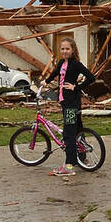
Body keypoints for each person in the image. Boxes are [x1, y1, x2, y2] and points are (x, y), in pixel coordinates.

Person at [41, 38, 93, 176]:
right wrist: (46, 81)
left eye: (67, 49)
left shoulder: (76, 64)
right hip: (65, 101)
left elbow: (91, 77)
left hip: (72, 103)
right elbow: (55, 73)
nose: (64, 51)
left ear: (73, 50)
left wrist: (76, 87)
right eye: (62, 49)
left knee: (69, 134)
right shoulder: (61, 63)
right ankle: (83, 159)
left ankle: (69, 166)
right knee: (77, 130)